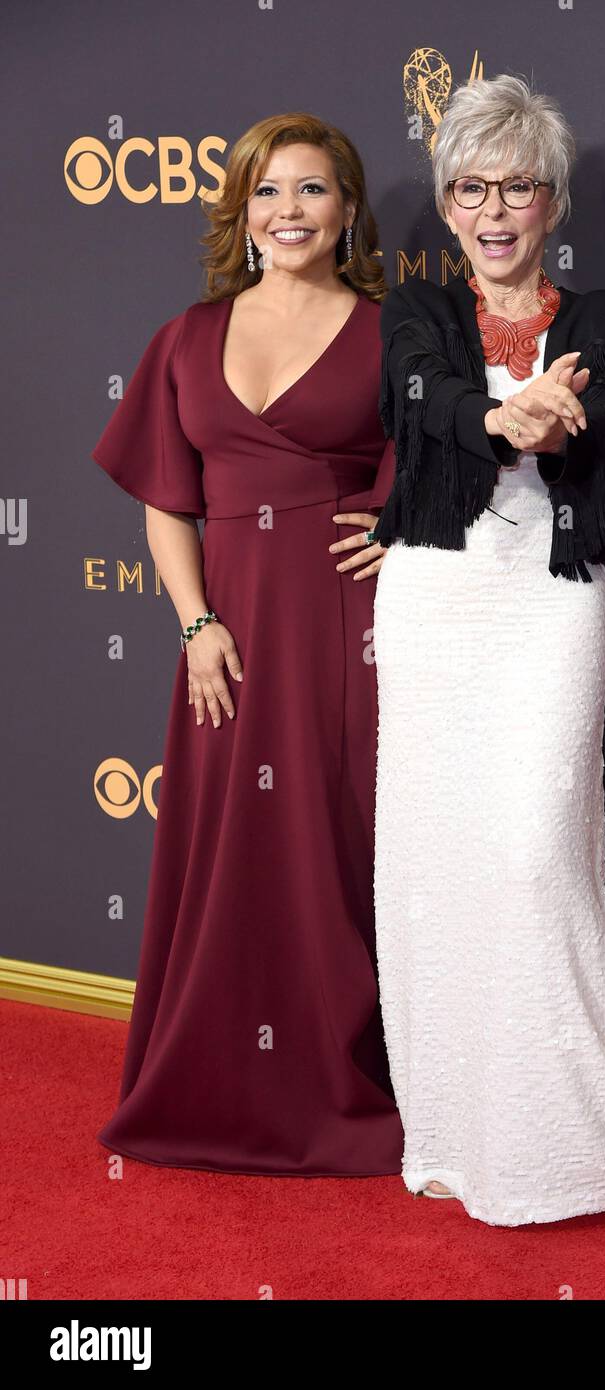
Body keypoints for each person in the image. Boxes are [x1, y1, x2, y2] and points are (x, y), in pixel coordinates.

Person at [368, 74, 605, 1238]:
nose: (495, 207)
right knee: (436, 872)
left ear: (551, 200)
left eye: (518, 184)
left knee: (533, 857)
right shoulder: (415, 315)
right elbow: (418, 396)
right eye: (472, 186)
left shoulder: (603, 319)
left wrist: (561, 422)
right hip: (434, 604)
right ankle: (461, 1128)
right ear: (448, 204)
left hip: (547, 603)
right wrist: (493, 416)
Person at [91, 113, 402, 1176]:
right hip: (225, 630)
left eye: (311, 190)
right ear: (241, 212)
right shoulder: (186, 335)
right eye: (267, 193)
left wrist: (395, 525)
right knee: (229, 845)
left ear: (347, 210)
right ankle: (214, 1080)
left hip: (340, 627)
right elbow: (167, 504)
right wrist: (195, 624)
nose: (289, 213)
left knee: (333, 840)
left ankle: (342, 1083)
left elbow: (445, 472)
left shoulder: (394, 331)